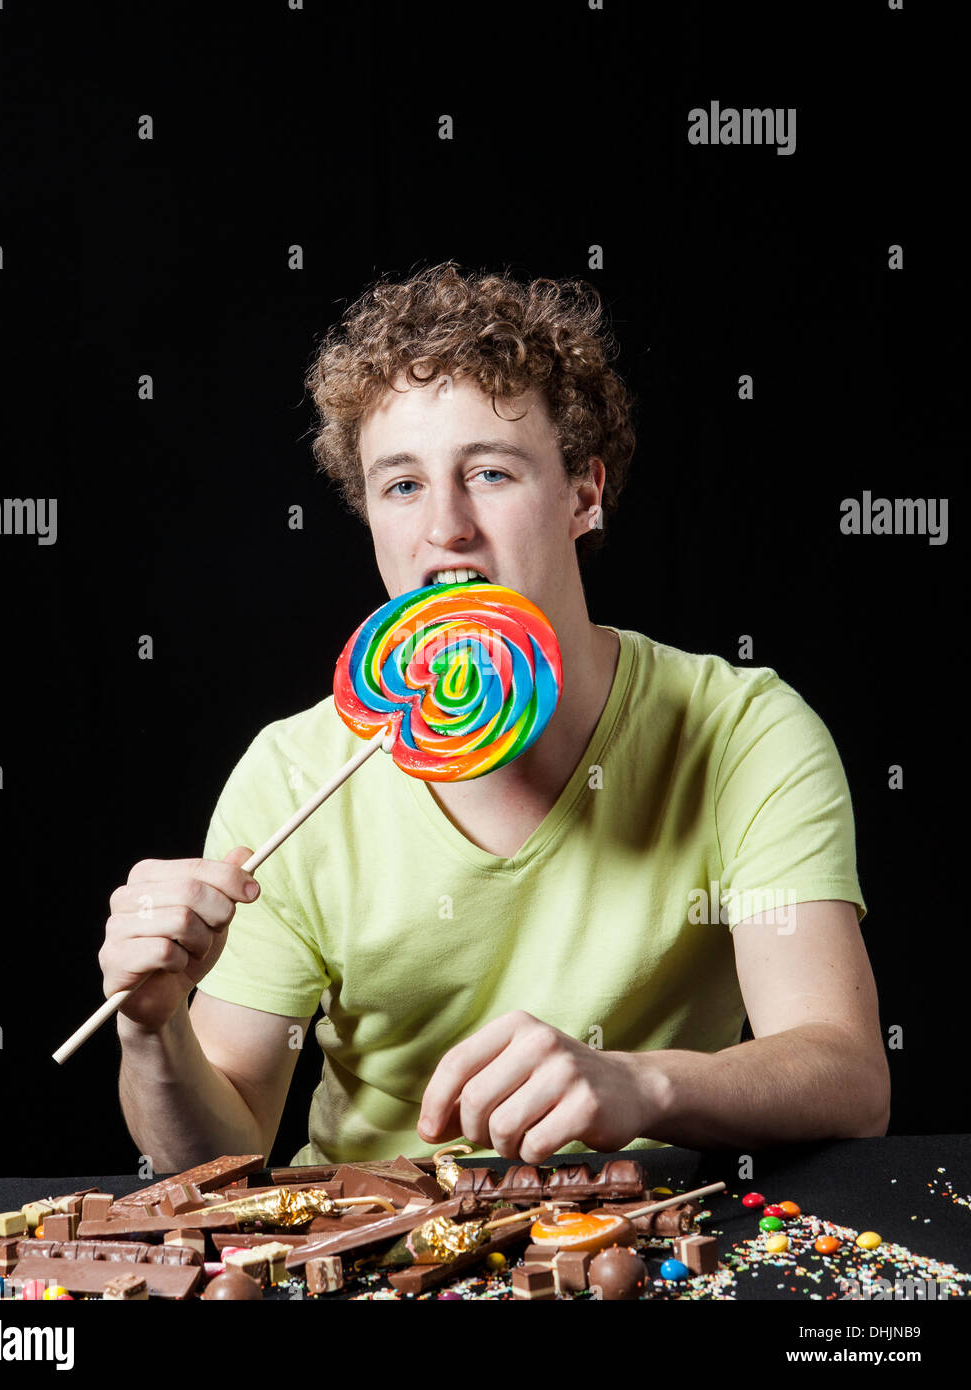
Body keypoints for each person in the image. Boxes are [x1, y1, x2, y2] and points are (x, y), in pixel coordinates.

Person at [102, 262, 890, 1173]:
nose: (445, 528)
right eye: (401, 486)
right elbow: (217, 1149)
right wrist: (151, 1033)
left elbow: (847, 1075)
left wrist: (640, 1087)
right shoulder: (293, 773)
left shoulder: (743, 732)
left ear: (583, 495)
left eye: (489, 472)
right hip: (366, 1246)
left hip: (637, 1237)